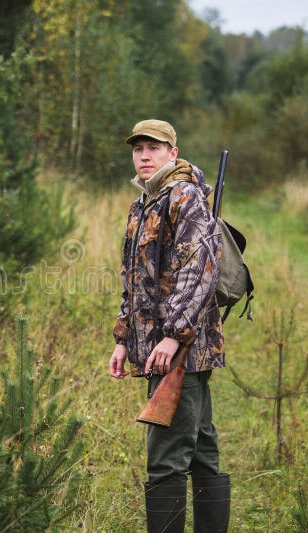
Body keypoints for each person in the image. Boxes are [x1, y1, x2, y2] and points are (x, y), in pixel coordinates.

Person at [108, 119, 230, 533]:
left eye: (154, 147)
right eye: (138, 148)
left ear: (172, 153)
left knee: (165, 460)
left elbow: (198, 272)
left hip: (181, 347)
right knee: (199, 450)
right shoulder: (143, 204)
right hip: (162, 346)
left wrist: (173, 335)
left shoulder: (184, 197)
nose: (144, 155)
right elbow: (133, 278)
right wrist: (123, 338)